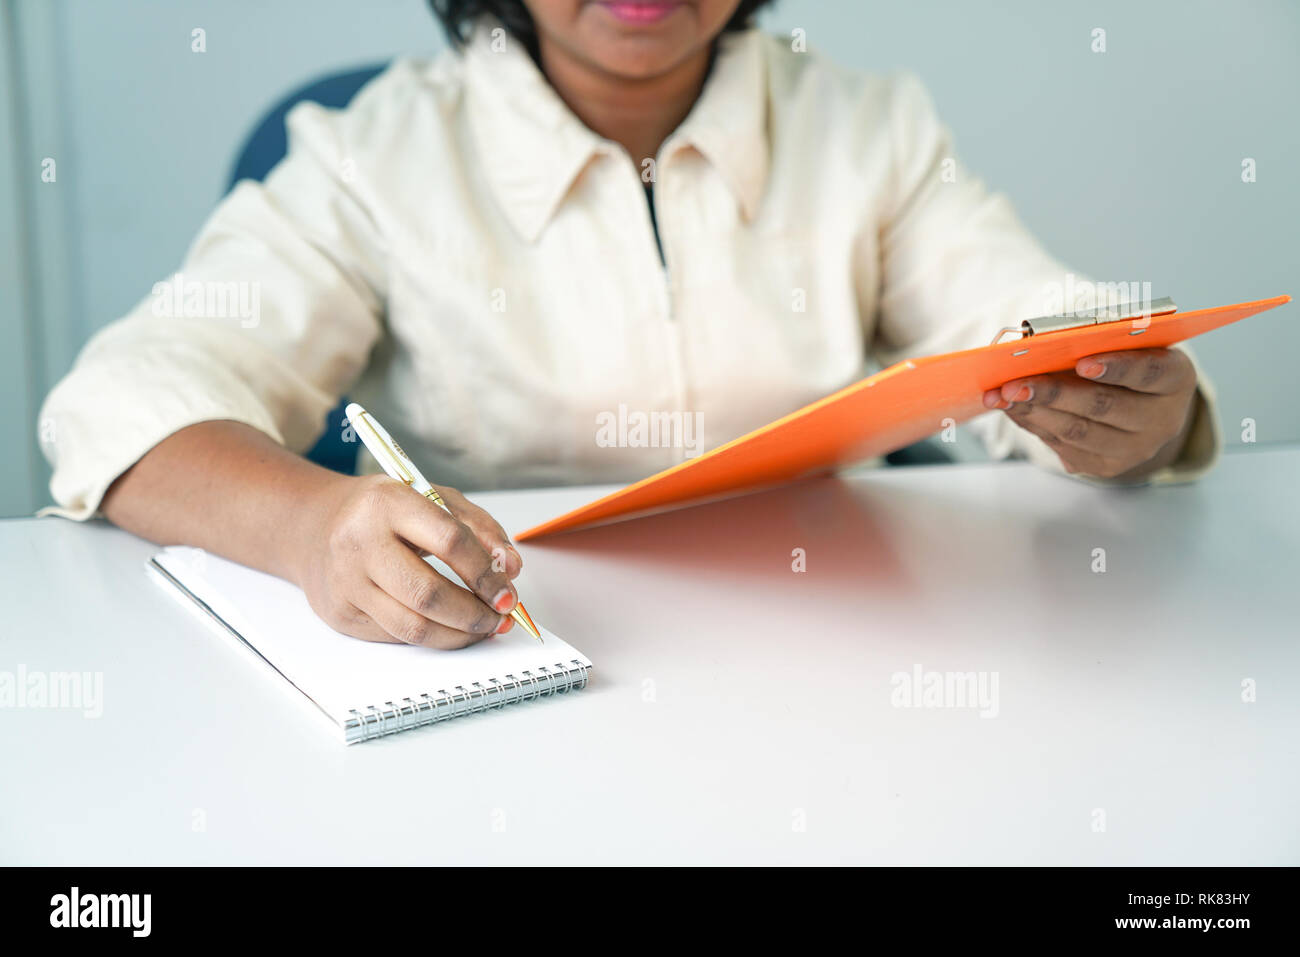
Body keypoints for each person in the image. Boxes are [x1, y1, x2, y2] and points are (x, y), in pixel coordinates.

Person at [38, 0, 1218, 650]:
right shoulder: (368, 155)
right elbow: (126, 403)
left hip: (831, 659)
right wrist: (314, 527)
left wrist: (1137, 414)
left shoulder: (865, 127)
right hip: (507, 644)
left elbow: (1033, 317)